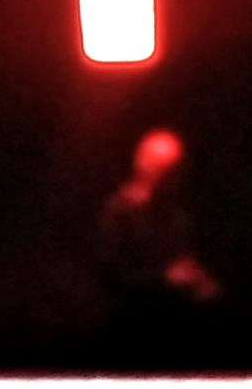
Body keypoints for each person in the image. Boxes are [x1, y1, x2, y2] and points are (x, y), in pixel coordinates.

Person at [95, 127, 222, 360]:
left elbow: (182, 259)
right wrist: (163, 279)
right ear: (143, 164)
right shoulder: (118, 212)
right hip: (133, 330)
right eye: (167, 168)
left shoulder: (176, 213)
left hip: (175, 328)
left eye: (177, 169)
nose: (175, 176)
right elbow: (110, 275)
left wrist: (199, 280)